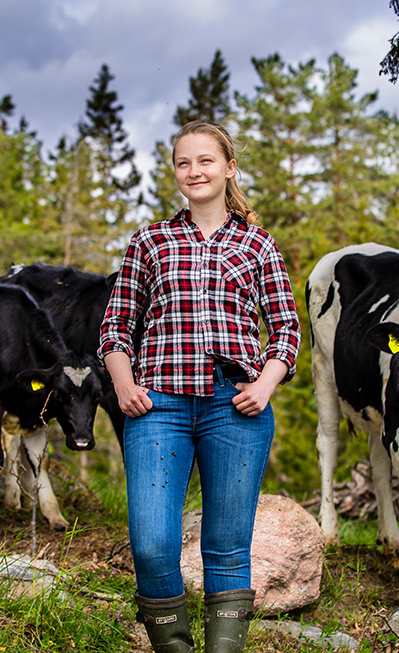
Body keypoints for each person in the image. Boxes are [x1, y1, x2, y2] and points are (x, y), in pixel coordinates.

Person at [98, 120, 301, 653]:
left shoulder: (258, 245)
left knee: (228, 544)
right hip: (157, 405)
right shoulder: (151, 241)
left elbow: (285, 328)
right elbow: (116, 327)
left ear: (228, 167)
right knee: (152, 544)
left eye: (206, 161)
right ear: (176, 173)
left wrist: (267, 383)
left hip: (234, 406)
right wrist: (123, 385)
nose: (195, 171)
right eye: (184, 163)